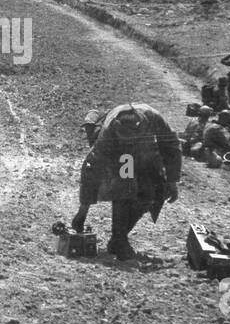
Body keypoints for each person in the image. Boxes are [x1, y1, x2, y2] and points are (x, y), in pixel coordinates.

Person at [70, 104, 181, 262]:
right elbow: (91, 168)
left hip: (146, 152)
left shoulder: (154, 118)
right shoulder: (107, 134)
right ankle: (120, 241)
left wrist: (172, 181)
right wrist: (82, 211)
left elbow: (172, 147)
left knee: (155, 193)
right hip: (122, 155)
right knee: (124, 189)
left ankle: (118, 239)